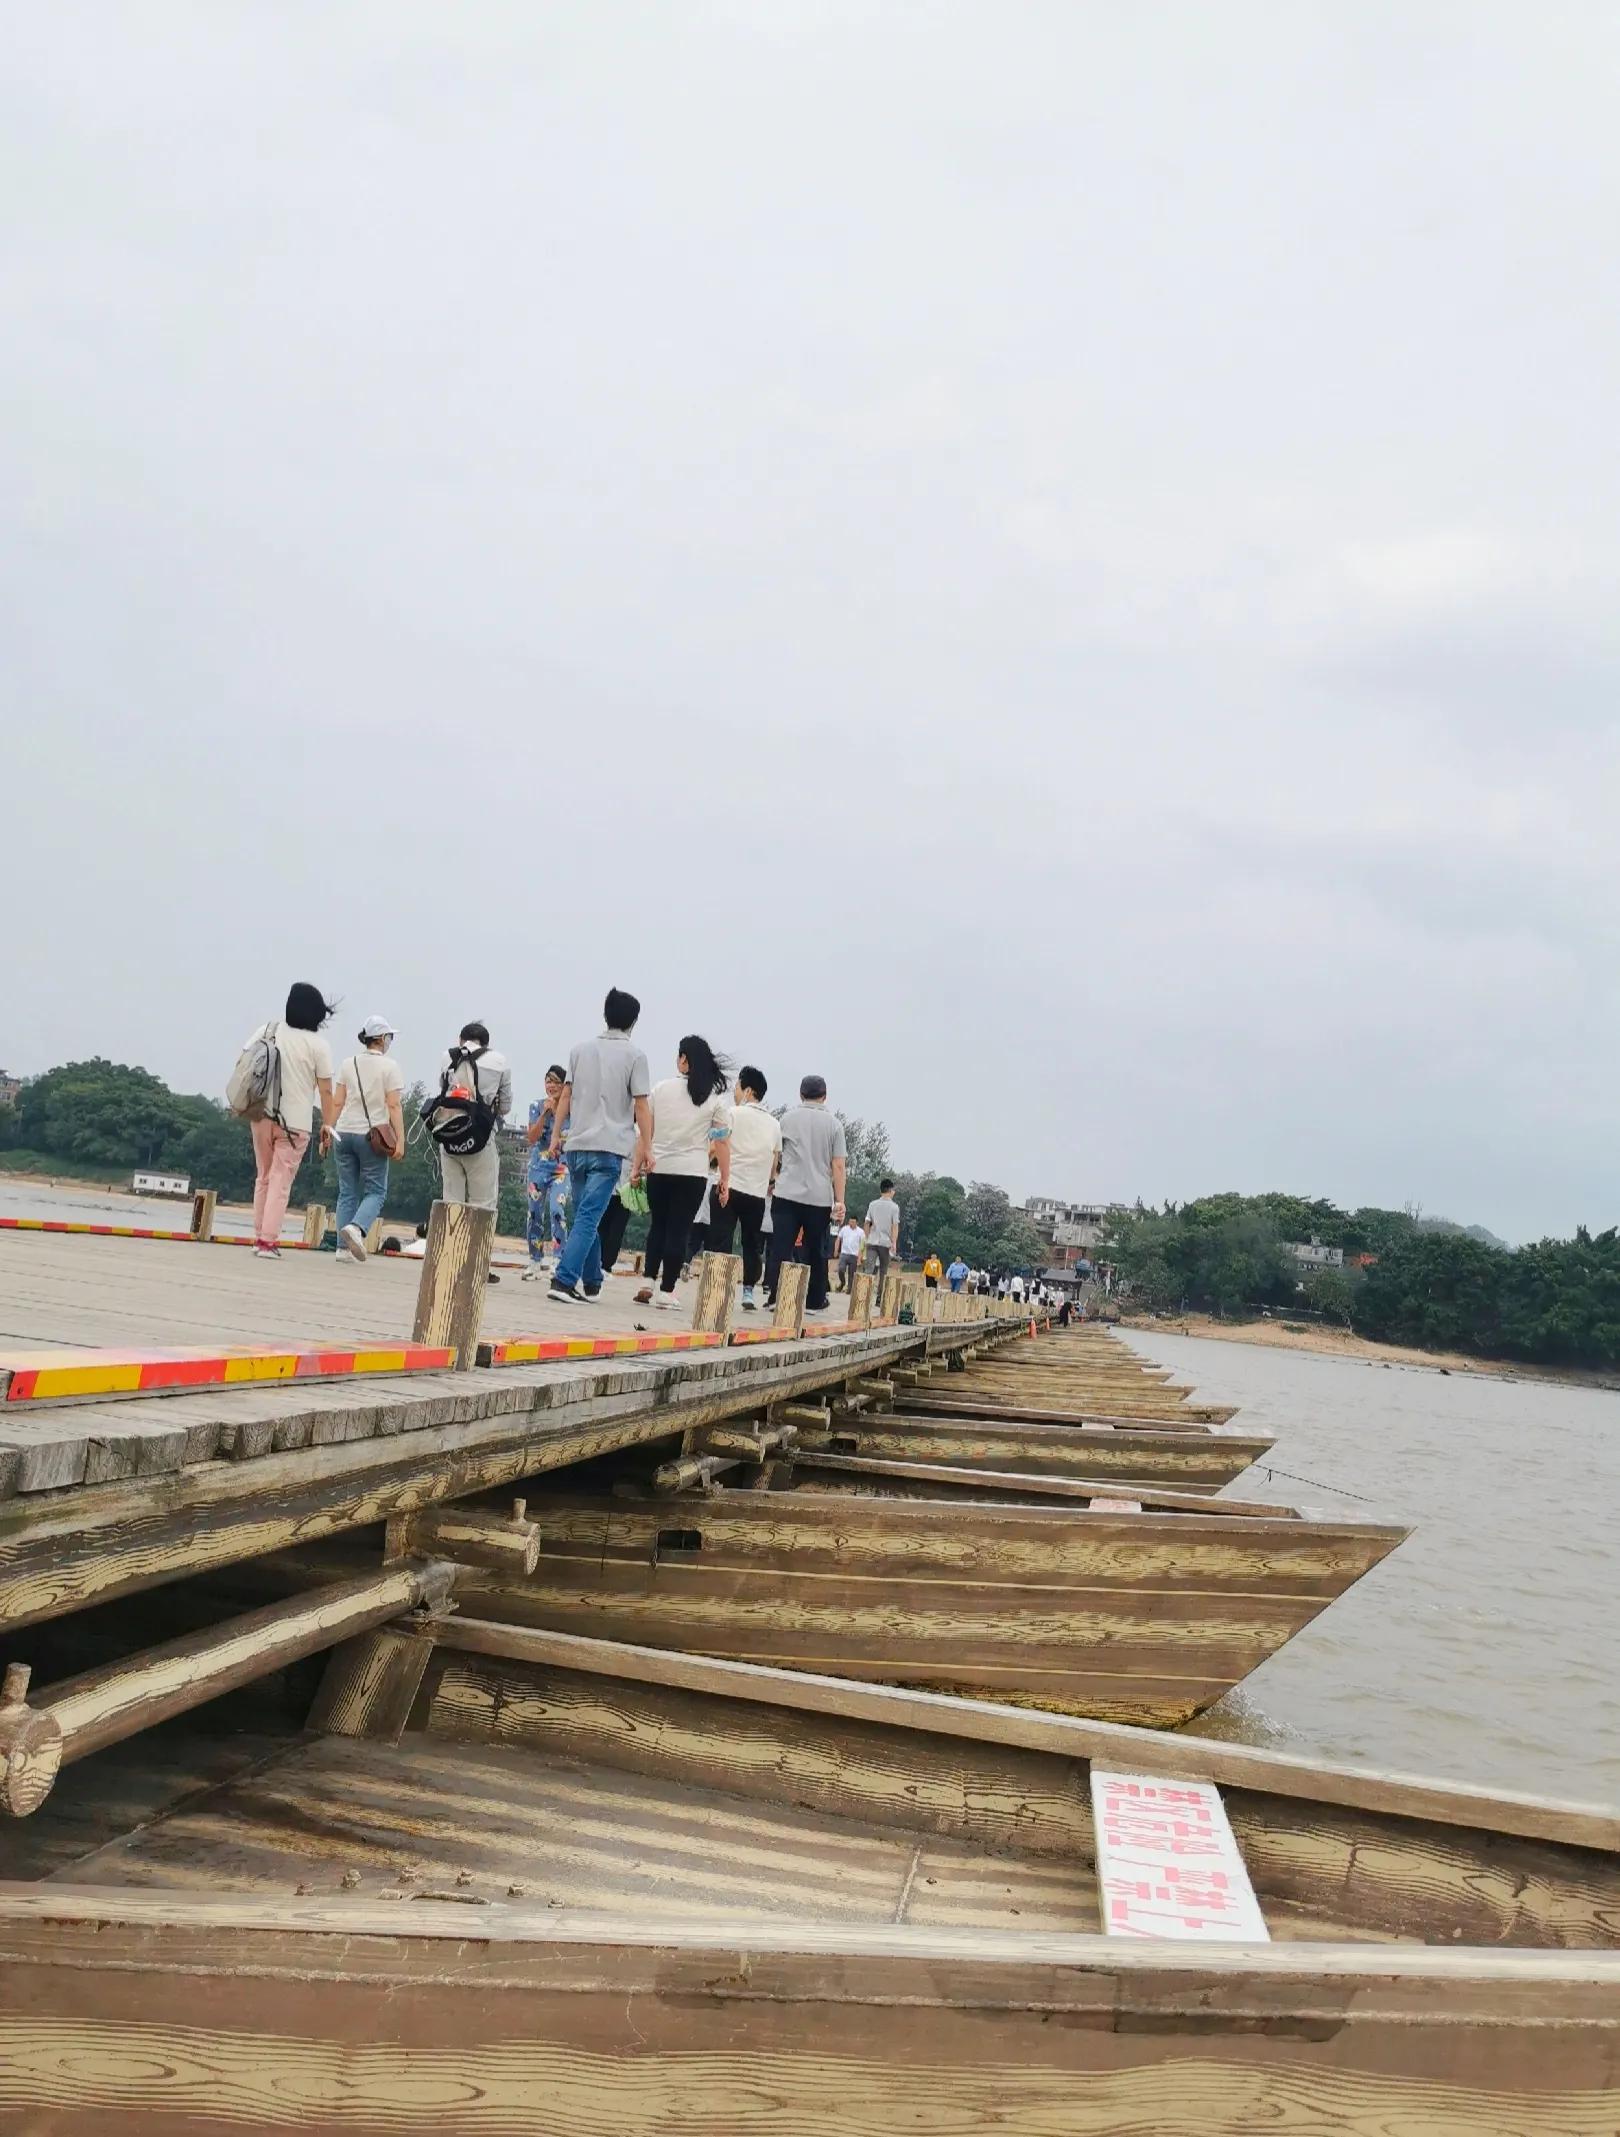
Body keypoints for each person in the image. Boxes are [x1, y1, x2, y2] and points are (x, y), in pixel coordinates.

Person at [548, 987, 652, 1304]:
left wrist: (556, 1135)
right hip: (609, 1147)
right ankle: (564, 1280)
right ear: (634, 1021)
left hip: (577, 1144)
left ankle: (592, 1281)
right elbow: (641, 1105)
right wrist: (647, 1148)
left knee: (584, 1215)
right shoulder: (635, 1056)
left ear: (605, 1015)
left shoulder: (579, 1051)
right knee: (588, 1218)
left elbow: (566, 1095)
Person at [636, 1036, 732, 1309]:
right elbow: (722, 1142)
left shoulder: (660, 1090)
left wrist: (637, 1165)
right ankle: (666, 1291)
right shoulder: (713, 1100)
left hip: (659, 1168)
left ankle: (647, 1281)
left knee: (658, 1226)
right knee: (679, 1230)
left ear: (683, 1060)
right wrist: (725, 1178)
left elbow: (645, 1132)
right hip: (692, 1173)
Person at [242, 983, 337, 1259]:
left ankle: (259, 1237)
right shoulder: (319, 1046)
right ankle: (268, 1241)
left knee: (263, 1177)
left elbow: (245, 1060)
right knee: (280, 1181)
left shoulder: (268, 1030)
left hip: (261, 1114)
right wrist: (328, 1124)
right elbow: (326, 1091)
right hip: (295, 1124)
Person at [764, 1074, 846, 1316]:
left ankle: (775, 1296)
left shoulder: (786, 1119)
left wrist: (772, 1180)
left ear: (800, 1094)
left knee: (781, 1247)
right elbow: (838, 1165)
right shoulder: (834, 1125)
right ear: (825, 1096)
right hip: (818, 1198)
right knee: (816, 1250)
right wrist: (839, 1201)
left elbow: (775, 1154)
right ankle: (814, 1301)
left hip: (787, 1193)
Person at [707, 1065, 781, 1311]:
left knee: (721, 1238)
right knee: (751, 1244)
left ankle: (718, 1290)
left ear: (748, 1090)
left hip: (728, 1186)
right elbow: (774, 1162)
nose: (735, 1092)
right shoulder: (774, 1125)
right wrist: (767, 1182)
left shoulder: (732, 1113)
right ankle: (748, 1291)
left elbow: (716, 1145)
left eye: (737, 1087)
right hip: (756, 1194)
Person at [331, 1017, 404, 1262]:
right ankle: (357, 1227)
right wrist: (400, 1140)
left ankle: (342, 1249)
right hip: (371, 1136)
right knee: (376, 1191)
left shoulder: (347, 1063)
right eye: (389, 1037)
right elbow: (393, 1105)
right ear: (381, 1039)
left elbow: (338, 1102)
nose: (390, 1041)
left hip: (343, 1132)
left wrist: (328, 1129)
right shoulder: (390, 1067)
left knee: (347, 1192)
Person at [432, 1021, 512, 1210]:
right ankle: (477, 1231)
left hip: (450, 1136)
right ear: (486, 1044)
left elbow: (443, 1088)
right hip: (480, 1138)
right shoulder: (499, 1062)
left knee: (451, 1203)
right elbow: (505, 1107)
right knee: (482, 1205)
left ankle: (451, 1230)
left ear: (461, 1040)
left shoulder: (447, 1057)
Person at [523, 1065, 567, 1280]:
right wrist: (544, 1113)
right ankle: (535, 1259)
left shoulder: (572, 1110)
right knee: (534, 1212)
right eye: (549, 1081)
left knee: (557, 1209)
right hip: (539, 1166)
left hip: (562, 1167)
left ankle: (558, 1259)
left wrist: (558, 1111)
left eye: (557, 1082)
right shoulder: (536, 1106)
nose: (552, 1086)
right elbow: (531, 1138)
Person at [863, 1180, 900, 1290]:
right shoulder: (894, 1207)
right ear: (890, 1190)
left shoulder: (872, 1204)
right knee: (883, 1271)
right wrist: (894, 1243)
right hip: (885, 1243)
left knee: (869, 1270)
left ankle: (864, 1294)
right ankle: (880, 1296)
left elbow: (867, 1223)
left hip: (872, 1241)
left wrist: (867, 1237)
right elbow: (895, 1226)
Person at [834, 1216, 865, 1292]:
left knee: (852, 1274)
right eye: (850, 1221)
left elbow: (862, 1245)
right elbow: (838, 1239)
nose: (851, 1223)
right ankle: (842, 1282)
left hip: (854, 1255)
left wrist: (860, 1258)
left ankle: (849, 1288)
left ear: (857, 1223)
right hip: (844, 1253)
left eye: (853, 1222)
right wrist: (836, 1250)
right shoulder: (844, 1229)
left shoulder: (861, 1232)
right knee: (841, 1269)